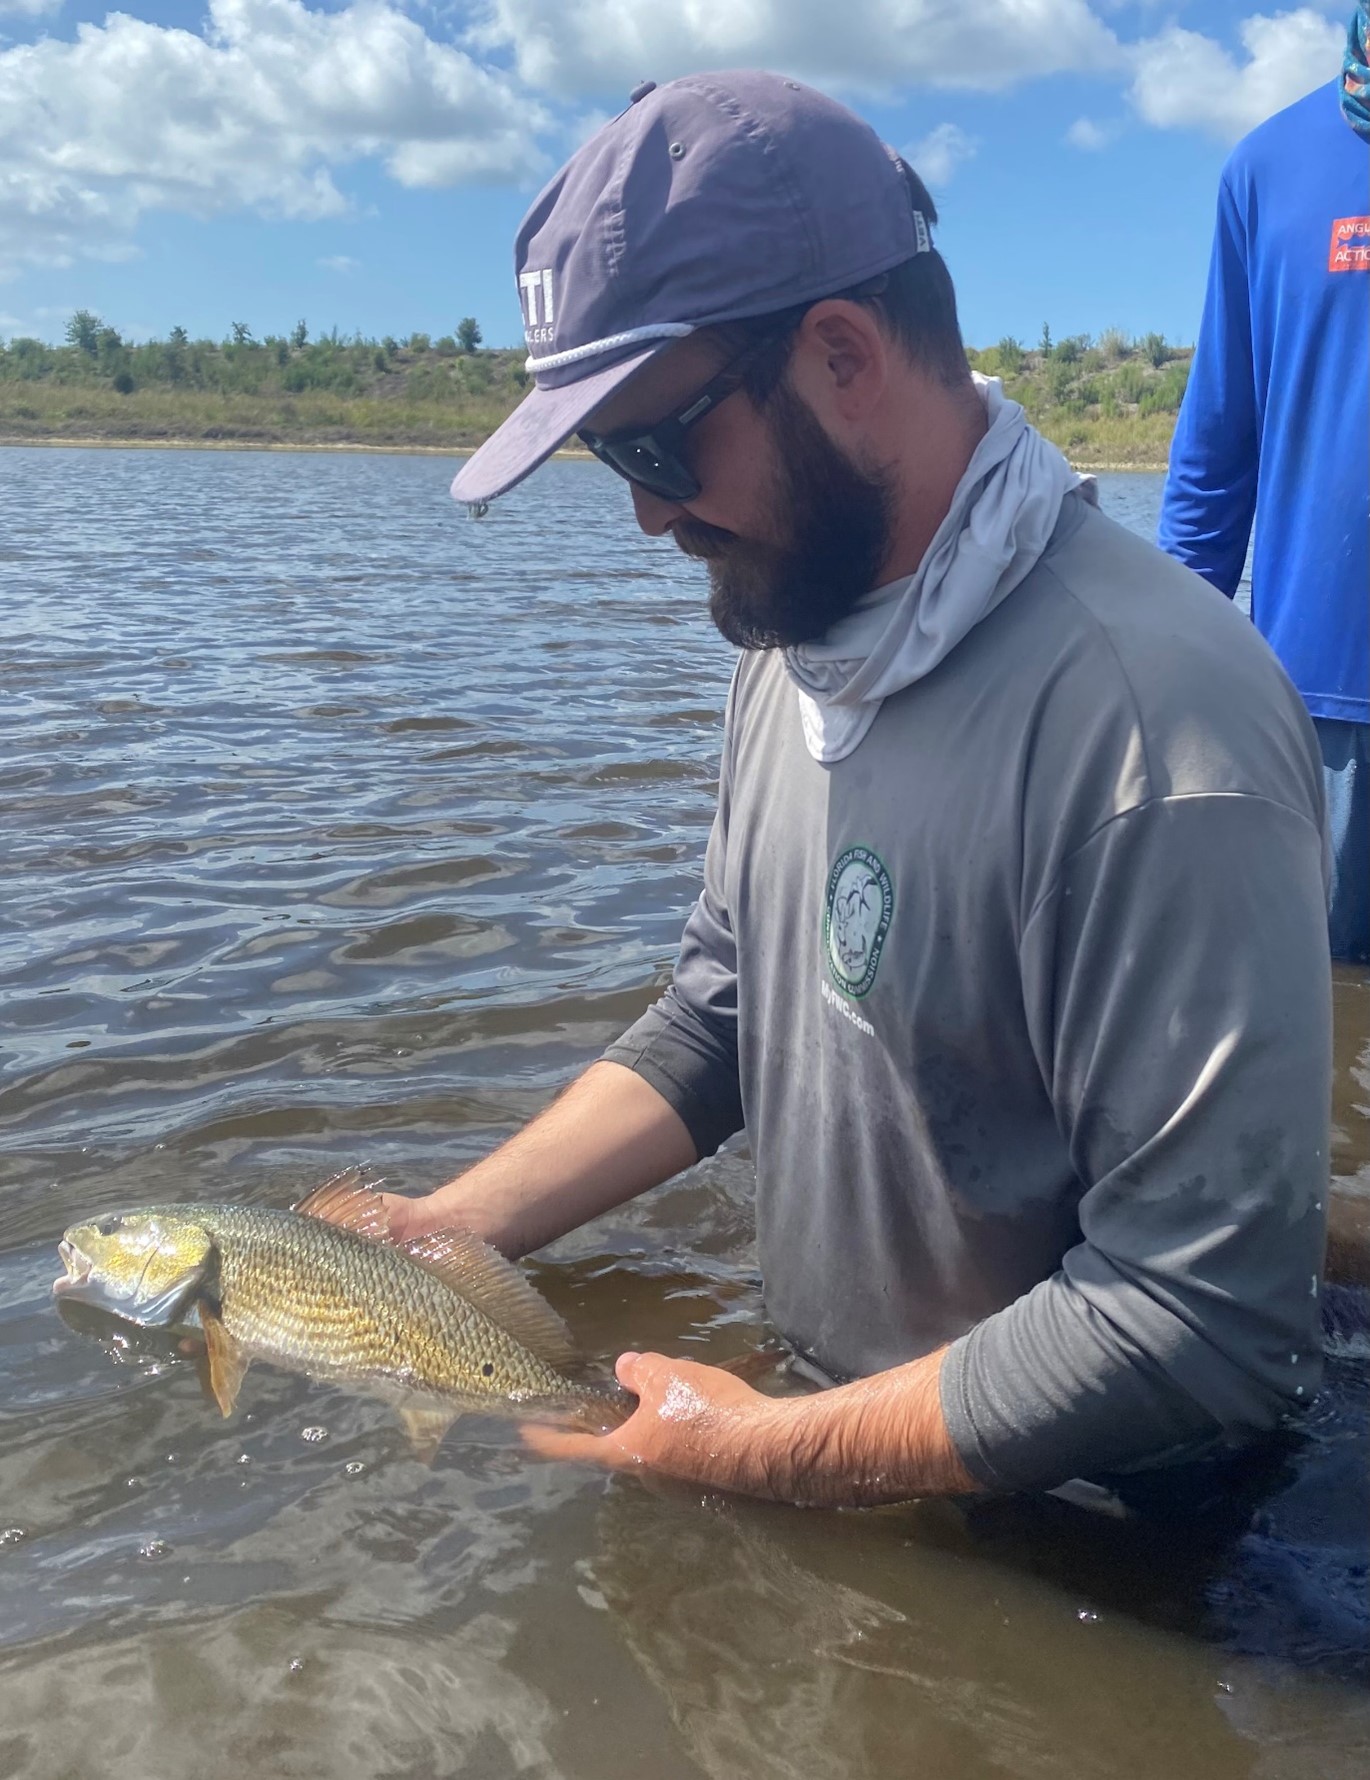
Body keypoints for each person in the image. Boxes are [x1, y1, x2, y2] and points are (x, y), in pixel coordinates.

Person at [380, 72, 1333, 1508]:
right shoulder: (790, 633)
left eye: (655, 442)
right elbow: (724, 1008)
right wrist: (439, 1238)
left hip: (1098, 1538)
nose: (643, 512)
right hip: (826, 1448)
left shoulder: (1156, 735)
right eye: (604, 457)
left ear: (839, 355)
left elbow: (1200, 1321)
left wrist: (762, 1451)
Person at [1159, 9, 1370, 963]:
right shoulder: (1268, 168)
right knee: (1322, 1015)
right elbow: (1218, 444)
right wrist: (1151, 669)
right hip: (1323, 707)